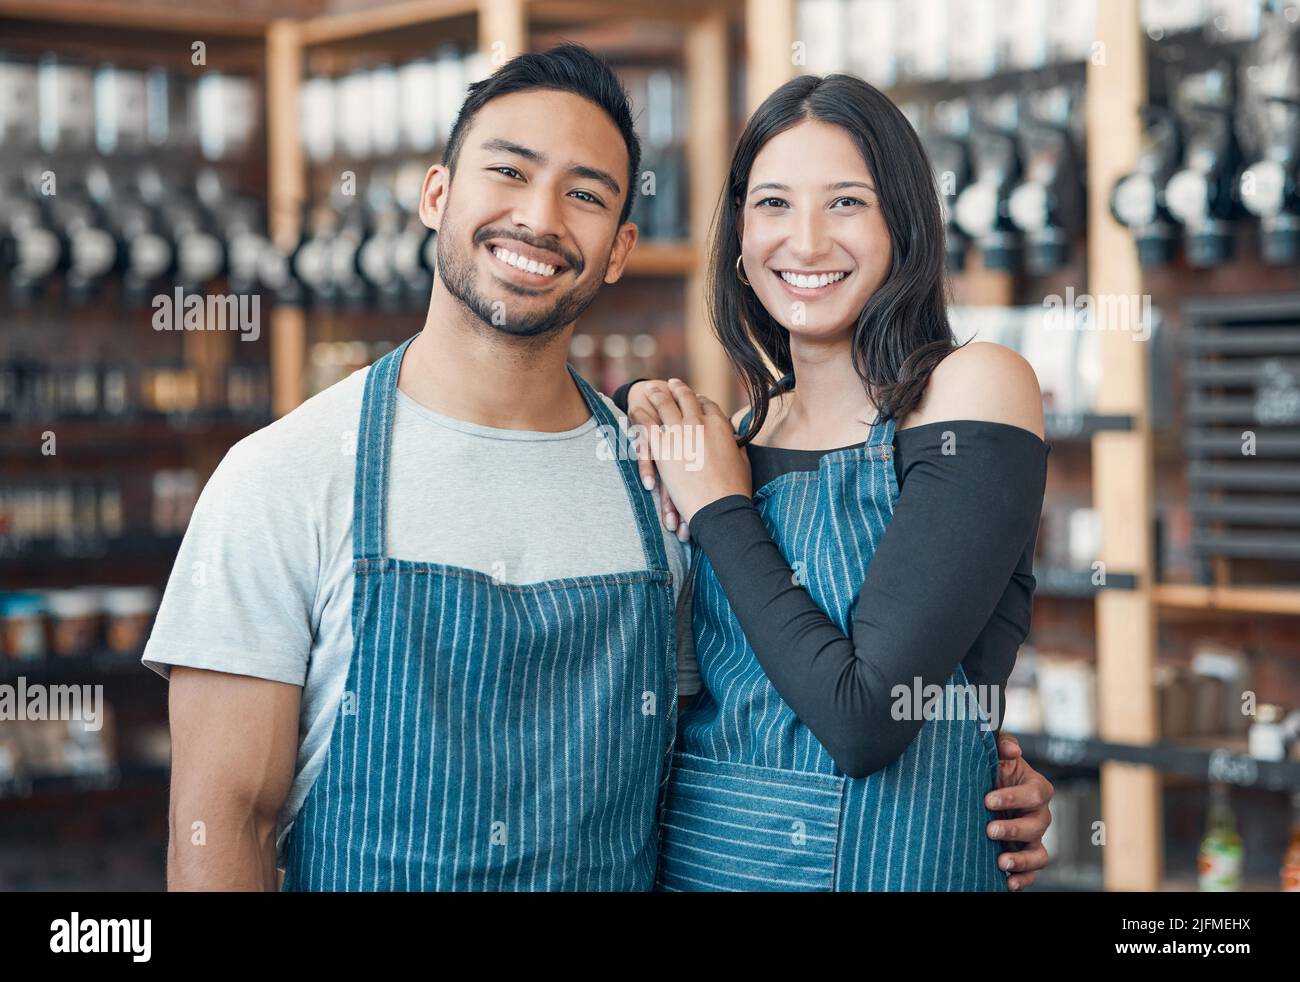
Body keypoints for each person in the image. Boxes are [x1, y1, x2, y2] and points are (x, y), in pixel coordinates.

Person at [145, 44, 1051, 892]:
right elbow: (225, 822)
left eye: (585, 194)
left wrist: (968, 761)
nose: (538, 218)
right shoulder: (283, 478)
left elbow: (778, 726)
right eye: (507, 171)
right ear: (435, 195)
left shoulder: (664, 480)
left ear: (621, 245)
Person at [620, 73, 1051, 891]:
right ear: (740, 241)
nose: (807, 243)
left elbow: (867, 720)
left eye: (847, 202)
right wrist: (634, 402)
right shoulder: (724, 439)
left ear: (905, 223)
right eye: (774, 204)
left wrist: (719, 505)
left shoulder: (974, 388)